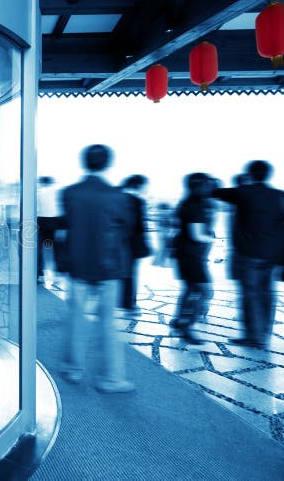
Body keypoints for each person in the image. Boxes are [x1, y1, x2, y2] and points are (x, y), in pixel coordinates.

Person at [59, 144, 135, 393]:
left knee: (76, 317)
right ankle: (111, 378)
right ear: (107, 163)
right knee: (107, 321)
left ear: (85, 162)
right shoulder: (118, 195)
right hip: (109, 265)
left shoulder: (70, 193)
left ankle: (73, 368)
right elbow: (125, 229)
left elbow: (65, 228)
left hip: (78, 264)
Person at [212, 161, 284, 348]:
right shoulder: (282, 196)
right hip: (273, 255)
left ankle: (254, 337)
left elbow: (216, 192)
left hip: (250, 254)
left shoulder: (244, 192)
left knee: (251, 295)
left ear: (250, 174)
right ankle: (263, 335)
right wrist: (277, 232)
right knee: (267, 293)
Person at [169, 173, 216, 344]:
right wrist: (212, 237)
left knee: (190, 289)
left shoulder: (187, 203)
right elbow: (196, 235)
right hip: (191, 256)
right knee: (205, 291)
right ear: (198, 186)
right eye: (207, 185)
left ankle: (179, 321)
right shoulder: (194, 206)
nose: (210, 188)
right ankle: (187, 325)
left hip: (185, 254)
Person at [120, 175, 152, 312]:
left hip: (116, 241)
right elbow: (139, 225)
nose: (147, 189)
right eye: (145, 185)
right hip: (132, 243)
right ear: (138, 185)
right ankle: (128, 303)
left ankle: (119, 300)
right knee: (130, 273)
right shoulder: (137, 201)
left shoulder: (117, 197)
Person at [37, 175, 61, 286]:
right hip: (55, 222)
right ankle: (56, 275)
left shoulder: (38, 193)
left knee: (39, 249)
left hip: (41, 222)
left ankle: (40, 274)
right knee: (54, 249)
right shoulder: (57, 192)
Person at [151, 202, 175, 267]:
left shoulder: (159, 214)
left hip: (160, 232)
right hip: (166, 231)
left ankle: (156, 263)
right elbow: (170, 223)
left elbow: (158, 224)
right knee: (166, 248)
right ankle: (163, 263)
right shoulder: (168, 213)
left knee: (161, 248)